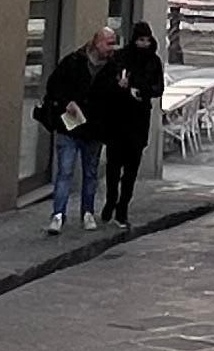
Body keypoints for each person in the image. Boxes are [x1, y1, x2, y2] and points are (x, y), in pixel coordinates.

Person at [39, 23, 116, 232]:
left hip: (94, 129)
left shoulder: (111, 68)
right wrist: (67, 103)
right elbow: (54, 86)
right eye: (109, 44)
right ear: (97, 42)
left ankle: (87, 212)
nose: (112, 48)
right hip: (70, 126)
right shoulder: (73, 62)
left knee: (90, 173)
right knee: (65, 171)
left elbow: (113, 98)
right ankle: (58, 214)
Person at [104, 19, 165, 224]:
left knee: (130, 170)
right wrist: (120, 86)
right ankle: (111, 200)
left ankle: (123, 207)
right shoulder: (120, 58)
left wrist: (142, 91)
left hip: (139, 120)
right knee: (113, 167)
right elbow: (108, 82)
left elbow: (159, 88)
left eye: (147, 40)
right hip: (118, 118)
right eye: (140, 40)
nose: (144, 44)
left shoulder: (154, 62)